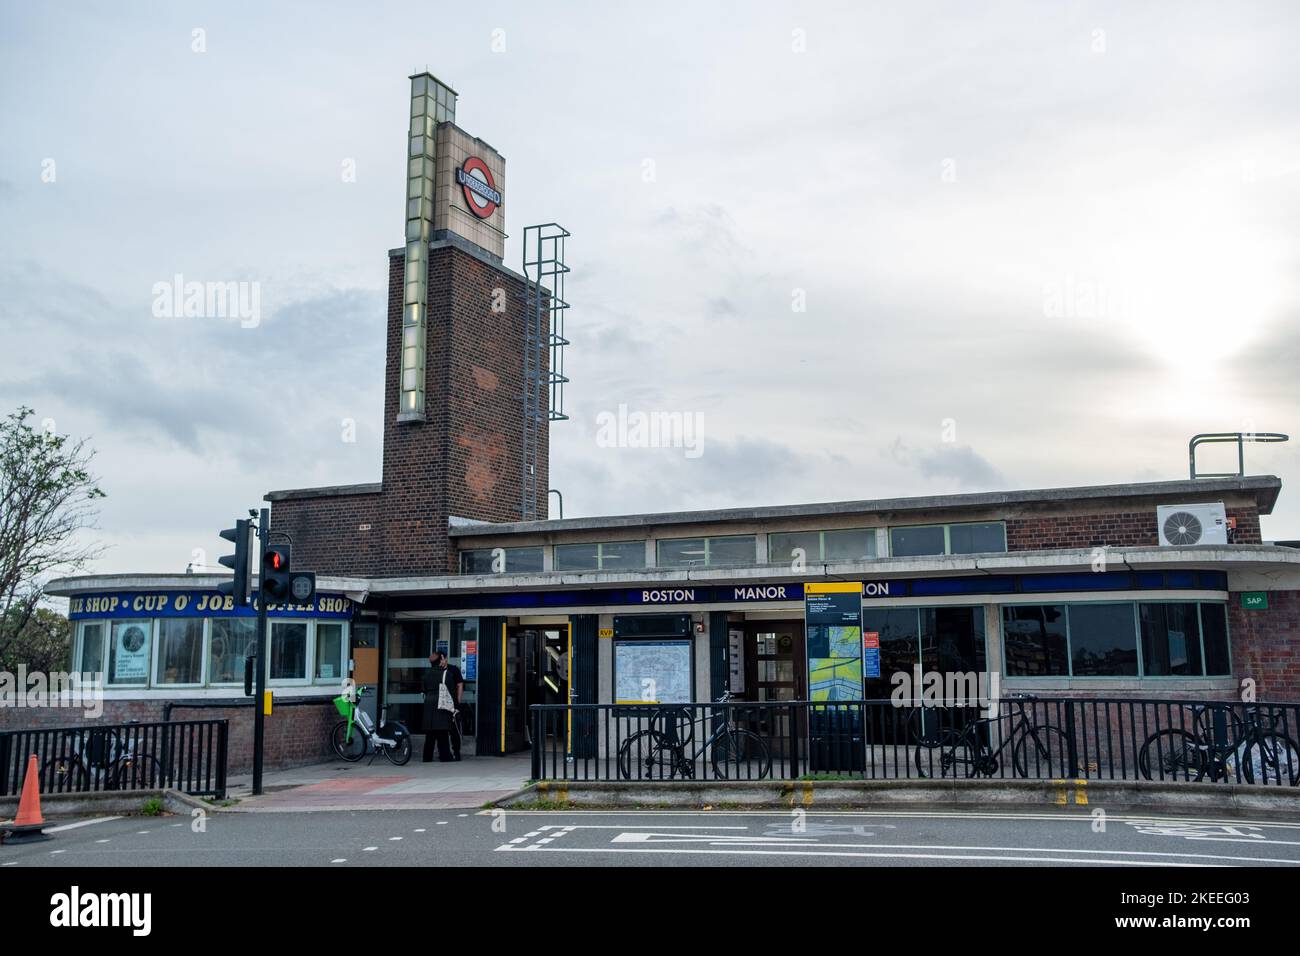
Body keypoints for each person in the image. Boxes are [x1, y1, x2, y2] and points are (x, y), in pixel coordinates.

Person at [421, 650, 464, 762]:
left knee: (430, 733)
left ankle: (427, 757)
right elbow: (452, 693)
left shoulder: (426, 674)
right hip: (441, 703)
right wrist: (456, 707)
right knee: (442, 731)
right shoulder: (446, 674)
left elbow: (424, 689)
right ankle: (445, 756)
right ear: (441, 660)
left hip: (429, 704)